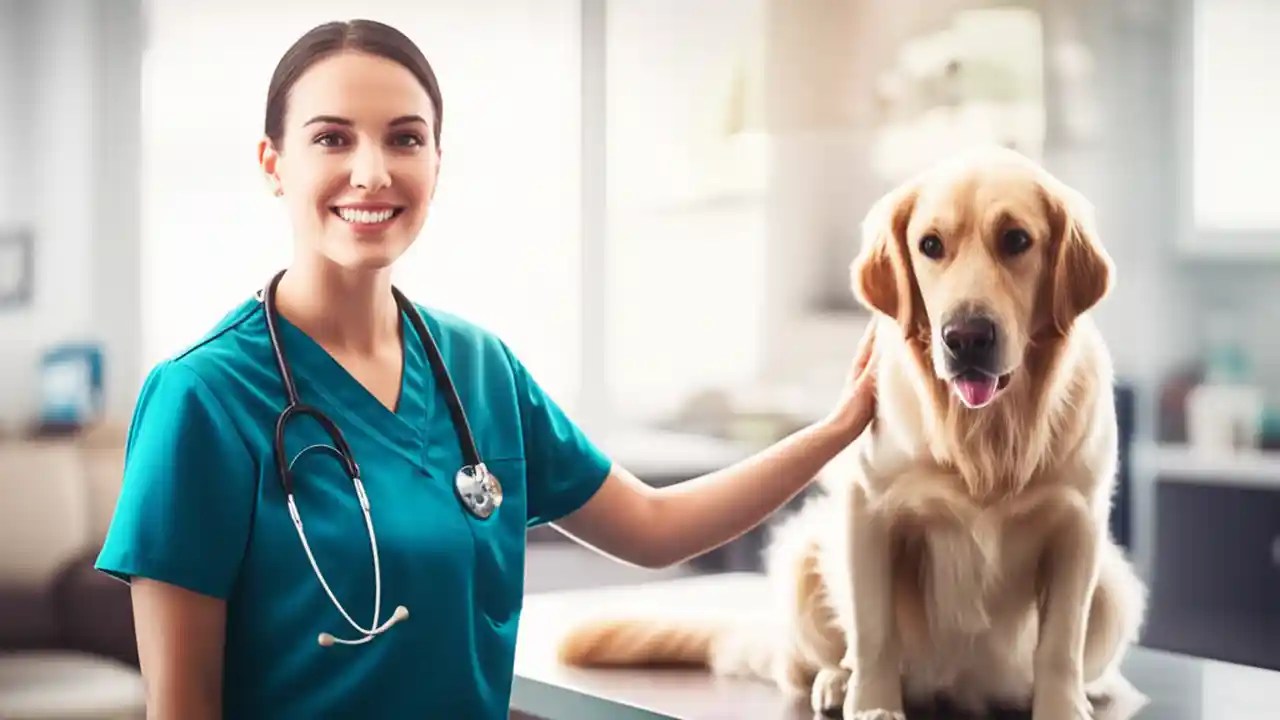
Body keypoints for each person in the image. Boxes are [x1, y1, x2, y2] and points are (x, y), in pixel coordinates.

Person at [94, 18, 879, 720]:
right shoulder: (201, 399)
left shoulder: (480, 370)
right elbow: (183, 706)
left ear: (437, 160)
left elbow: (654, 529)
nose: (372, 171)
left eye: (404, 138)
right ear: (273, 163)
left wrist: (843, 426)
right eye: (332, 138)